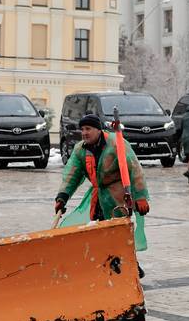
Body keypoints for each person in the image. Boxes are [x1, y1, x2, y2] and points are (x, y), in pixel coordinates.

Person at [56, 114, 151, 271]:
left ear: (98, 130)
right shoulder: (81, 149)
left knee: (118, 233)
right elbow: (72, 174)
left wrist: (140, 197)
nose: (85, 133)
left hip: (117, 197)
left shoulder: (116, 144)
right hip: (98, 197)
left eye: (88, 129)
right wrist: (62, 197)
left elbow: (135, 170)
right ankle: (112, 267)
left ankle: (129, 267)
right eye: (82, 129)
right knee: (99, 232)